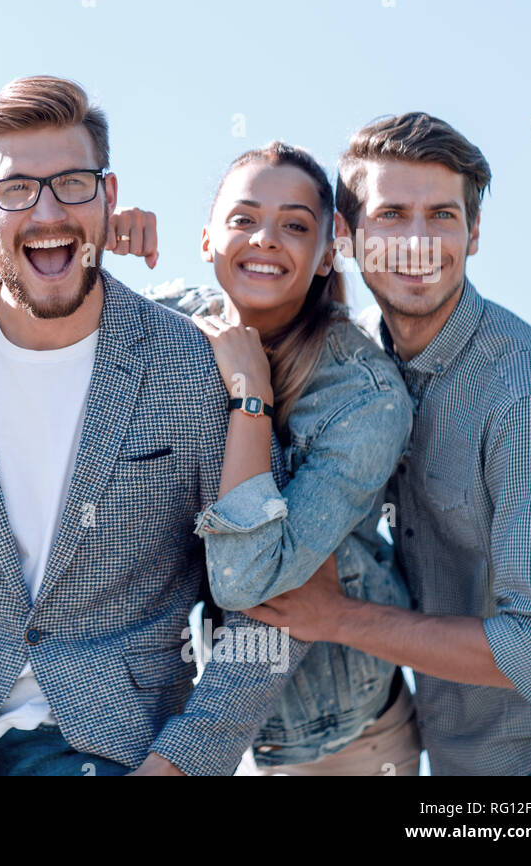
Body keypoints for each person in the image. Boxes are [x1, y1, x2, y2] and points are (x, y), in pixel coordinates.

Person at [0, 75, 302, 776]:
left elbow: (270, 604)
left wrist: (181, 763)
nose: (46, 211)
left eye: (71, 183)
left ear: (109, 195)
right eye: (15, 190)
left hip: (120, 748)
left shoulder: (190, 368)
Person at [244, 112, 531, 775]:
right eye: (392, 213)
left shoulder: (525, 388)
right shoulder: (359, 368)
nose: (418, 240)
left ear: (475, 232)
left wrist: (339, 618)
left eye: (442, 216)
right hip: (450, 758)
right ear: (346, 236)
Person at [159, 142, 419, 774]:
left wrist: (251, 399)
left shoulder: (362, 395)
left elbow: (248, 580)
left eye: (295, 225)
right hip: (235, 722)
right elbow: (39, 298)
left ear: (327, 252)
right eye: (244, 218)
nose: (266, 238)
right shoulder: (174, 322)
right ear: (207, 239)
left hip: (350, 733)